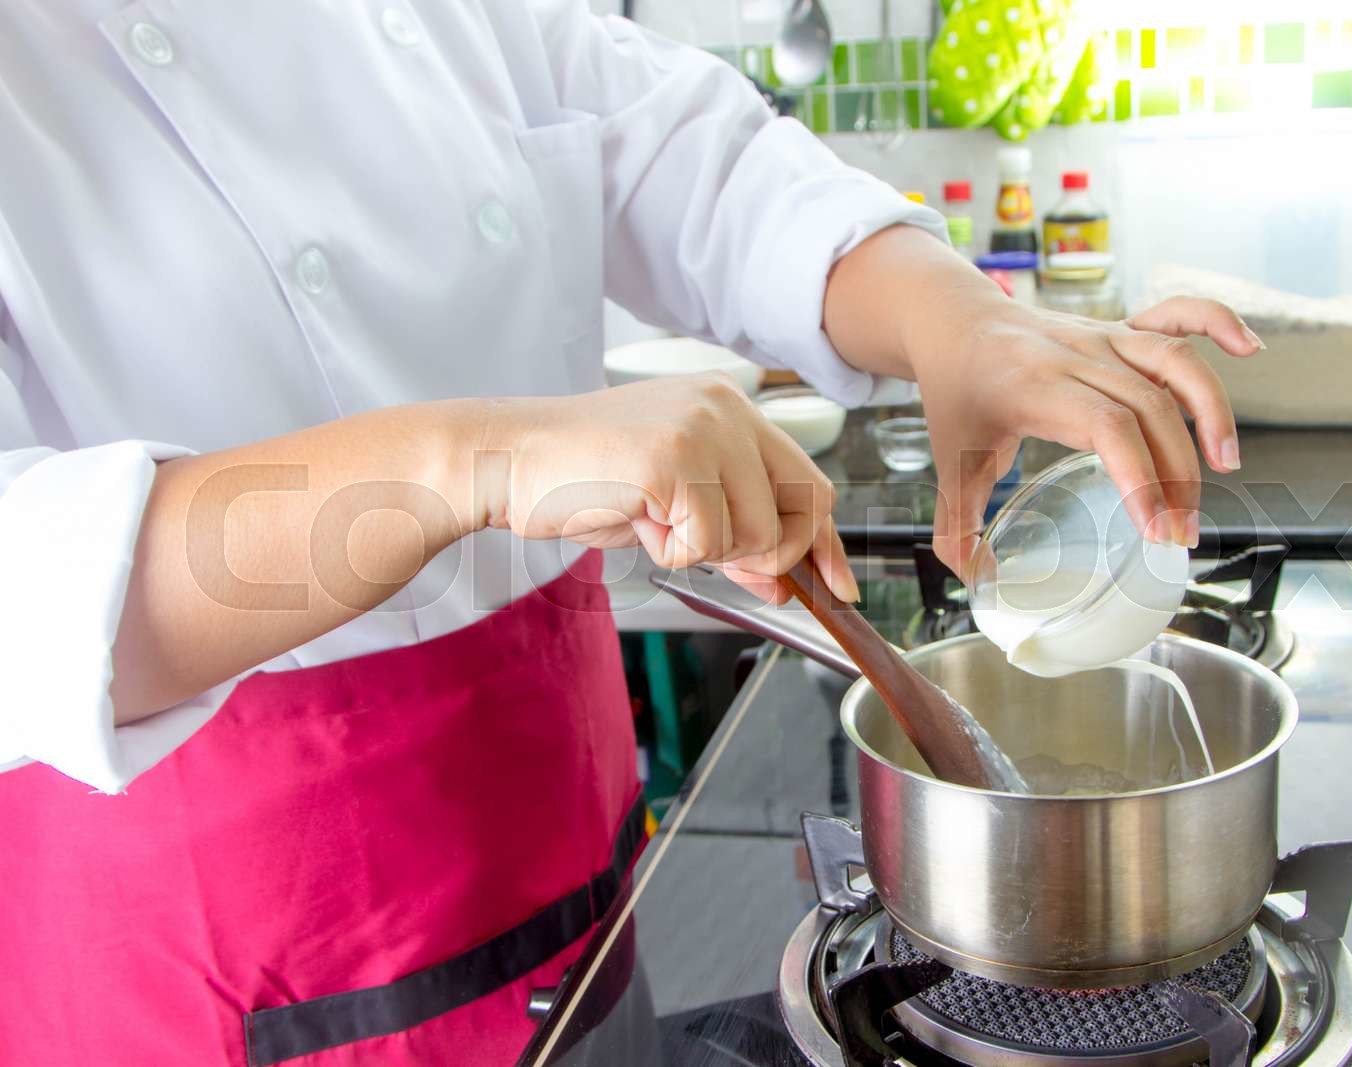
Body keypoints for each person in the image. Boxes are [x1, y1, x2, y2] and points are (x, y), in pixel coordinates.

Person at [0, 2, 1261, 1063]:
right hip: (214, 936)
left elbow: (690, 158)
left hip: (563, 818)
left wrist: (949, 315)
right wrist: (465, 458)